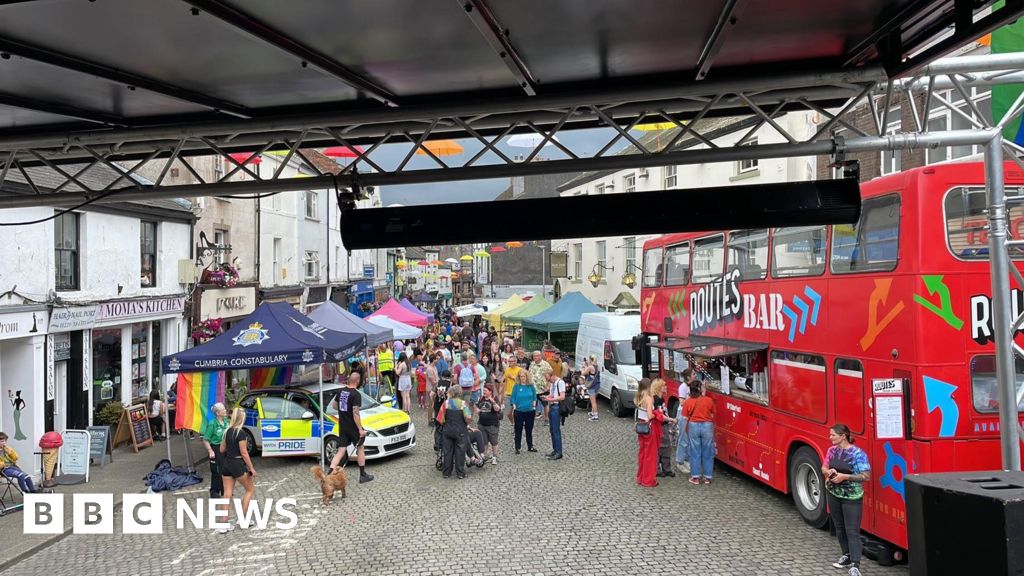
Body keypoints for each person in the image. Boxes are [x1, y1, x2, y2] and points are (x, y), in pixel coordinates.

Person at [822, 423, 871, 576]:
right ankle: (847, 555)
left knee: (852, 531)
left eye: (833, 435)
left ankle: (855, 564)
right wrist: (828, 471)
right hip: (833, 493)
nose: (830, 438)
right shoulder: (831, 451)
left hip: (852, 498)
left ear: (843, 436)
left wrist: (845, 477)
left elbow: (866, 476)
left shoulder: (858, 454)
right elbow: (824, 467)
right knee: (839, 527)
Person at [328, 373, 375, 484]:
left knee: (340, 451)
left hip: (343, 426)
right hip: (353, 427)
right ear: (357, 381)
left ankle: (329, 474)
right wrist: (360, 429)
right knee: (360, 448)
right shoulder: (356, 394)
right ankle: (363, 475)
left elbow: (334, 406)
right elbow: (355, 414)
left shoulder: (340, 391)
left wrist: (343, 411)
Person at [219, 408, 257, 533]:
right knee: (250, 489)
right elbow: (244, 453)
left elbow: (222, 450)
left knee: (227, 493)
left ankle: (224, 523)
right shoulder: (241, 434)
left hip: (227, 464)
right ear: (241, 418)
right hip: (237, 464)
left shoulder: (227, 432)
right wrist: (251, 468)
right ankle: (243, 519)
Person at [684, 381, 715, 485]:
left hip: (693, 426)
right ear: (700, 389)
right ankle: (708, 477)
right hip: (707, 425)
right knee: (708, 452)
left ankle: (695, 477)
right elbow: (712, 414)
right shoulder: (709, 400)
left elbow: (685, 416)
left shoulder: (688, 402)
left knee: (695, 451)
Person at [438, 384, 472, 479]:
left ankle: (446, 473)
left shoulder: (446, 403)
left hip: (447, 431)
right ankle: (460, 473)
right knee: (460, 451)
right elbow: (468, 418)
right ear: (460, 393)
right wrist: (466, 422)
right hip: (460, 430)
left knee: (447, 452)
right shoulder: (463, 404)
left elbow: (440, 419)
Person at [635, 378, 662, 487]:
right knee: (651, 455)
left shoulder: (639, 397)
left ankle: (641, 477)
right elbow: (650, 415)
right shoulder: (649, 398)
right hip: (650, 427)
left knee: (643, 453)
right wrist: (657, 413)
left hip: (641, 427)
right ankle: (648, 480)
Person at [201, 402, 229, 498]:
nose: (225, 410)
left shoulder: (226, 421)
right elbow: (206, 439)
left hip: (225, 447)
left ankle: (224, 489)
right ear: (217, 413)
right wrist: (210, 451)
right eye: (223, 410)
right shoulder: (212, 424)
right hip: (216, 448)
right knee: (216, 470)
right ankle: (214, 491)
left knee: (225, 469)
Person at [651, 379, 677, 477]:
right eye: (663, 386)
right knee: (662, 447)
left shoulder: (660, 399)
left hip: (663, 425)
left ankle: (665, 468)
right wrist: (672, 419)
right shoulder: (657, 400)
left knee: (666, 447)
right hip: (660, 426)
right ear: (658, 388)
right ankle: (661, 469)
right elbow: (660, 416)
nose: (666, 387)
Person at [510, 370, 538, 455]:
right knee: (518, 429)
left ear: (527, 377)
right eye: (521, 376)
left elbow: (534, 397)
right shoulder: (516, 386)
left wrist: (533, 407)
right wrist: (514, 407)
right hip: (519, 411)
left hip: (529, 411)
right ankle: (517, 447)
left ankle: (530, 446)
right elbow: (513, 398)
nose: (523, 378)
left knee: (529, 429)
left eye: (524, 376)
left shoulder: (531, 386)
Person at [675, 369, 697, 475]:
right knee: (683, 438)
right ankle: (680, 461)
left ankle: (687, 460)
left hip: (690, 415)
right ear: (688, 377)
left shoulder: (690, 387)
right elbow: (682, 402)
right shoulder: (683, 387)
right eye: (693, 374)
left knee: (689, 439)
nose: (695, 375)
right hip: (683, 415)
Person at [476, 384, 503, 464]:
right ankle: (484, 456)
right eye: (483, 390)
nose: (484, 392)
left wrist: (493, 402)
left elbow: (498, 409)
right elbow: (478, 407)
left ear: (490, 392)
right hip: (482, 424)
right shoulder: (481, 398)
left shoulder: (495, 398)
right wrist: (478, 410)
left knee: (494, 442)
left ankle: (494, 457)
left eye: (485, 391)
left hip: (492, 425)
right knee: (484, 442)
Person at [543, 371, 566, 460]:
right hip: (552, 406)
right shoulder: (553, 383)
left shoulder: (560, 383)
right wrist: (547, 397)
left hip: (556, 407)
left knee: (556, 430)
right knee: (552, 430)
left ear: (552, 376)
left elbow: (562, 397)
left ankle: (558, 452)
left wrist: (550, 399)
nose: (548, 381)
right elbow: (552, 395)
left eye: (548, 378)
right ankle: (555, 449)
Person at [528, 351, 552, 423]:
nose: (534, 357)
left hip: (543, 388)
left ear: (540, 356)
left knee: (545, 404)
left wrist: (548, 385)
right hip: (533, 388)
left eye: (536, 356)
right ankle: (532, 418)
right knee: (533, 404)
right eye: (534, 356)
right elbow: (529, 374)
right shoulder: (532, 364)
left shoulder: (546, 364)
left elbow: (550, 375)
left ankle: (547, 419)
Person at [582, 356, 601, 421]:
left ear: (591, 360)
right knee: (594, 400)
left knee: (593, 402)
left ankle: (595, 416)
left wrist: (584, 367)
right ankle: (593, 413)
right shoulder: (597, 366)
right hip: (597, 385)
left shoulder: (590, 367)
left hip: (591, 386)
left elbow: (583, 373)